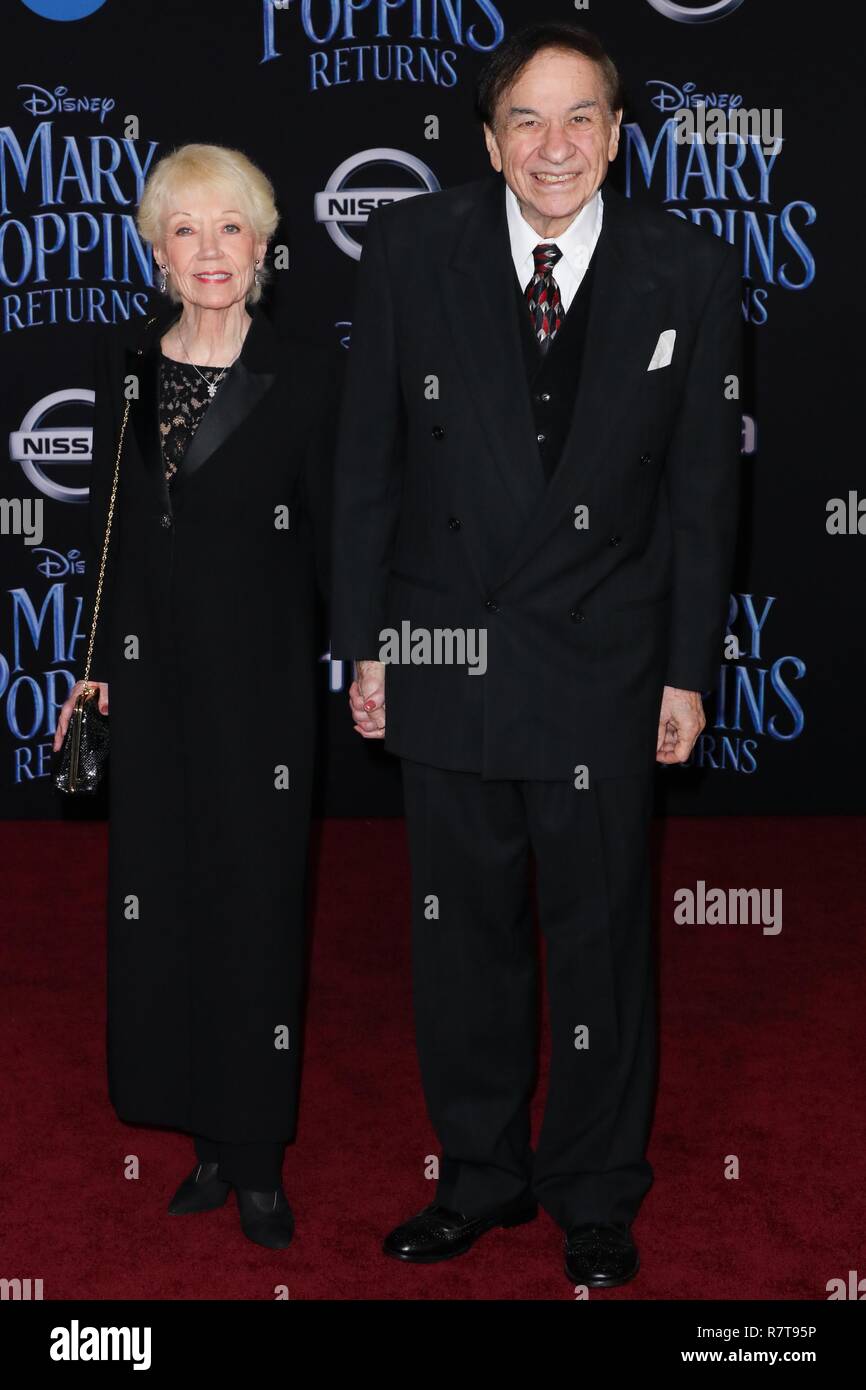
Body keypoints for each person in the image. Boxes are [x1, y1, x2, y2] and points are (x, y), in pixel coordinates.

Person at [330, 23, 742, 1285]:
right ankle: (478, 1174)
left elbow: (700, 495)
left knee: (602, 933)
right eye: (524, 118)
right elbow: (368, 465)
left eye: (579, 119)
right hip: (447, 642)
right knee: (462, 935)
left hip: (605, 660)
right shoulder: (409, 247)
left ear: (619, 135)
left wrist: (685, 669)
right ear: (487, 136)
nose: (552, 147)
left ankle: (594, 1188)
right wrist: (365, 646)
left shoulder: (688, 268)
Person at [54, 143, 339, 1250]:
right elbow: (109, 525)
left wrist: (361, 655)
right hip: (145, 679)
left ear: (264, 247)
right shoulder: (126, 367)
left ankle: (259, 1153)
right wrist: (91, 663)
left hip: (260, 690)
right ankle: (205, 1143)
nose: (210, 251)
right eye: (187, 229)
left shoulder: (308, 373)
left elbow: (336, 537)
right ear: (156, 249)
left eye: (232, 228)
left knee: (254, 908)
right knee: (163, 901)